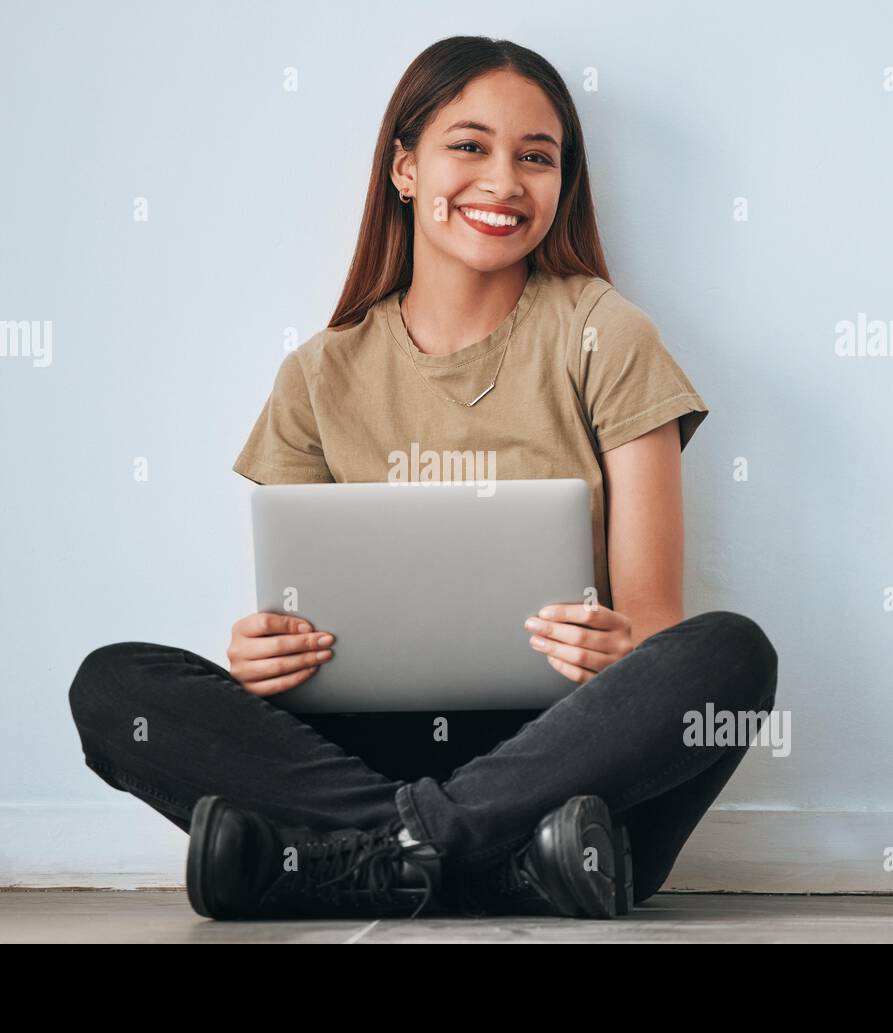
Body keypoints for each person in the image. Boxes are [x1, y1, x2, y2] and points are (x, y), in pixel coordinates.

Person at [68, 35, 778, 922]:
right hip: (382, 756)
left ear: (564, 184)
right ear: (405, 168)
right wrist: (265, 660)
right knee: (111, 685)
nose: (505, 182)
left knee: (730, 655)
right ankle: (497, 864)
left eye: (537, 157)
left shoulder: (608, 333)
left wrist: (616, 645)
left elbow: (658, 627)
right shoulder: (318, 374)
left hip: (558, 754)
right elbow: (303, 612)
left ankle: (337, 861)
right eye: (470, 146)